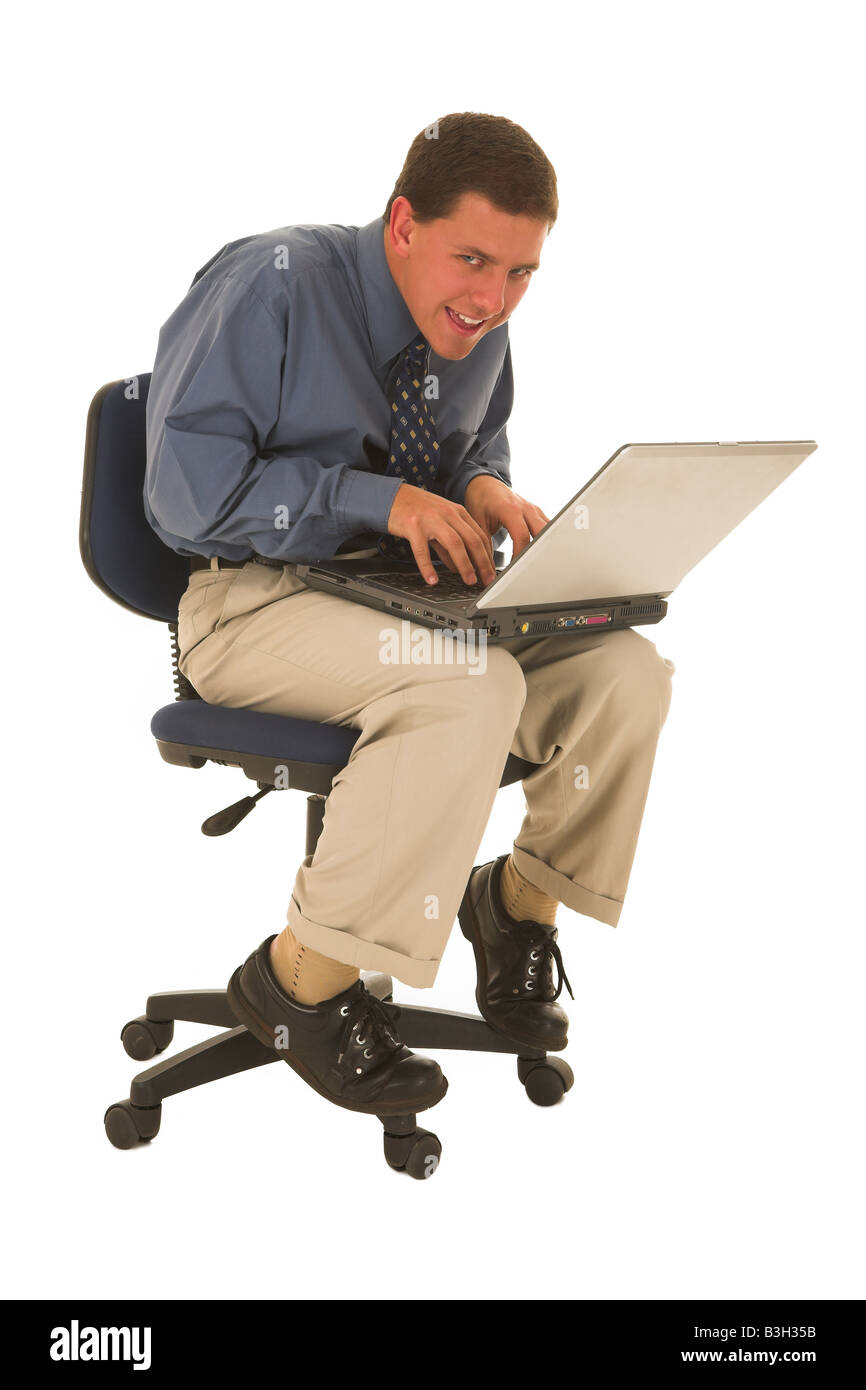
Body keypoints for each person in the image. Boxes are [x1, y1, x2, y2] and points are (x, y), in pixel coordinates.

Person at [144, 111, 675, 1119]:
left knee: (624, 672)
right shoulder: (274, 284)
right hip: (251, 603)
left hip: (413, 600)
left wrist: (478, 488)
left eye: (519, 274)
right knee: (469, 691)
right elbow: (180, 497)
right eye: (472, 259)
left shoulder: (476, 325)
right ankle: (300, 980)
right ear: (401, 224)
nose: (490, 298)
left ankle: (512, 905)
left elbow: (471, 444)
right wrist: (374, 500)